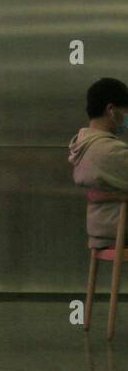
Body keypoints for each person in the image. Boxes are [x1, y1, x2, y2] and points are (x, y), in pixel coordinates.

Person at [69, 77, 128, 250]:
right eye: (126, 113)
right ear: (111, 110)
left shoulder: (83, 146)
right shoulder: (108, 150)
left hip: (102, 227)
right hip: (119, 227)